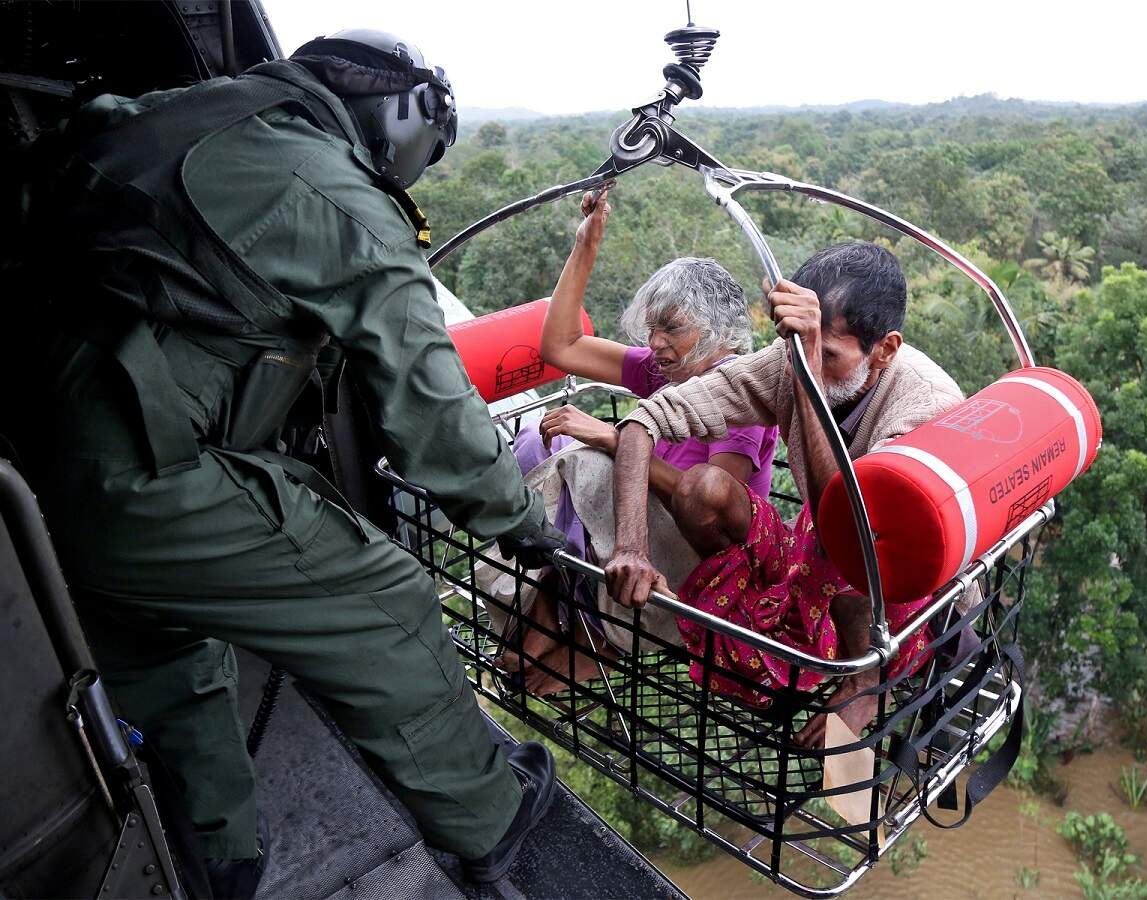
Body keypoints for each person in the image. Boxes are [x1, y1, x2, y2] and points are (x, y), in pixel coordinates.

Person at [19, 30, 561, 895]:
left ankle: (218, 859)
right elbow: (435, 413)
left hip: (37, 469)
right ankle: (494, 821)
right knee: (384, 607)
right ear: (408, 115)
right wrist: (526, 525)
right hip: (146, 471)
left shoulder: (160, 117)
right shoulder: (333, 191)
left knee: (172, 659)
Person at [604, 242, 964, 747]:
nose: (803, 362)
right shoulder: (792, 358)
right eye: (797, 348)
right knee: (700, 488)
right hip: (817, 543)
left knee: (860, 555)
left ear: (883, 350)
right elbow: (647, 419)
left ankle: (865, 680)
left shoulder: (926, 405)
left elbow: (853, 528)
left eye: (829, 355)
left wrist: (808, 379)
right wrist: (631, 547)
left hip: (888, 574)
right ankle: (754, 620)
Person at [496, 187, 778, 693]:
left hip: (693, 561)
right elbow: (560, 345)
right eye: (651, 329)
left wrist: (610, 439)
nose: (655, 344)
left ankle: (596, 639)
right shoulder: (664, 373)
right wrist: (587, 244)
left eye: (672, 328)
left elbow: (706, 501)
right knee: (542, 440)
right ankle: (562, 600)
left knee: (586, 459)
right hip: (632, 534)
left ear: (716, 329)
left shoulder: (742, 396)